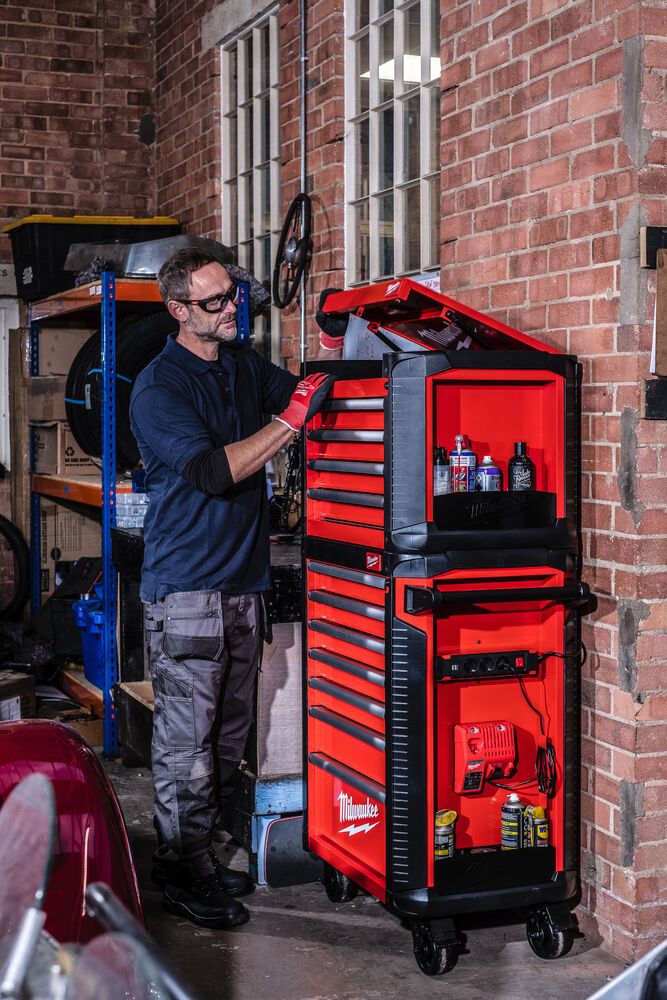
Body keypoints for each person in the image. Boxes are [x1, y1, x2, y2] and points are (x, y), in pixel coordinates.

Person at [129, 248, 335, 929]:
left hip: (243, 585)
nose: (231, 309)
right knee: (186, 747)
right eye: (215, 302)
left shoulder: (244, 366)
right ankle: (181, 869)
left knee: (226, 738)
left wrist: (343, 358)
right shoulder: (160, 388)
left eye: (233, 296)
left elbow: (306, 393)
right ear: (180, 311)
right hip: (187, 590)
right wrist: (290, 424)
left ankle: (201, 855)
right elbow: (216, 473)